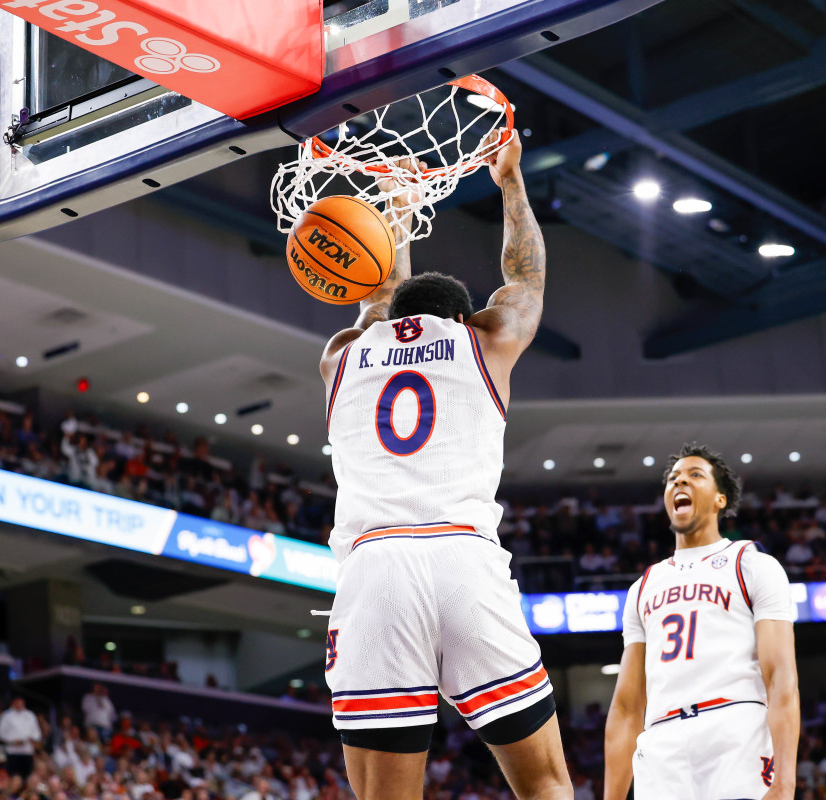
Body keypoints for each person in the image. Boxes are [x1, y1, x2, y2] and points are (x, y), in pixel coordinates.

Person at [317, 130, 570, 800]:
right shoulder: (486, 341)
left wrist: (393, 212)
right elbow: (526, 278)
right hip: (463, 560)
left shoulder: (341, 356)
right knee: (545, 783)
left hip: (375, 569)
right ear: (464, 317)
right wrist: (510, 179)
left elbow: (378, 302)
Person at [604, 443, 800, 800]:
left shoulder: (752, 564)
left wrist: (784, 782)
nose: (681, 483)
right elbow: (627, 707)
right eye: (673, 479)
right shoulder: (644, 586)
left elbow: (781, 677)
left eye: (695, 475)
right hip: (662, 745)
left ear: (720, 499)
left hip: (734, 732)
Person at [0, 697, 40, 779]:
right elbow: (0, 734)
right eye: (18, 702)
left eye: (21, 702)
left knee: (27, 776)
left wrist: (31, 738)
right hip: (13, 751)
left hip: (27, 751)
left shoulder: (30, 715)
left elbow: (36, 733)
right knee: (13, 776)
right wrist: (13, 741)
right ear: (13, 703)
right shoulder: (6, 715)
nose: (19, 704)